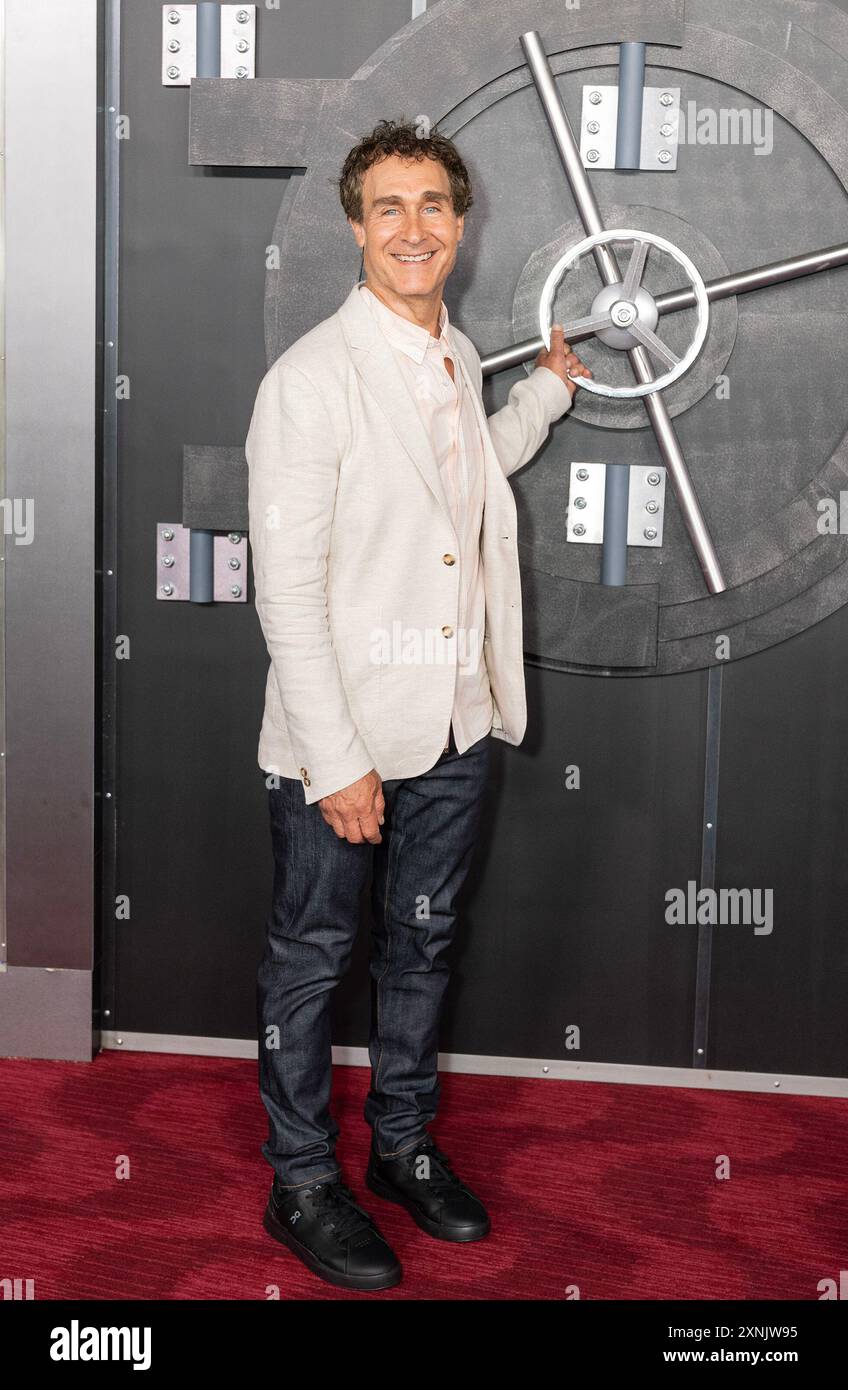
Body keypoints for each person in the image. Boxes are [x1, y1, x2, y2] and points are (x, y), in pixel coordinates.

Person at [245, 117, 591, 1292]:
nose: (413, 228)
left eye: (433, 205)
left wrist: (542, 390)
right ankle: (300, 1180)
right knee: (311, 959)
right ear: (355, 226)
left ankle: (398, 1150)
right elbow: (284, 592)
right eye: (388, 207)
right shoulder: (308, 381)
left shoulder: (453, 358)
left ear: (459, 222)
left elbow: (468, 473)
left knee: (423, 944)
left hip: (452, 723)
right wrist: (336, 761)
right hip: (339, 743)